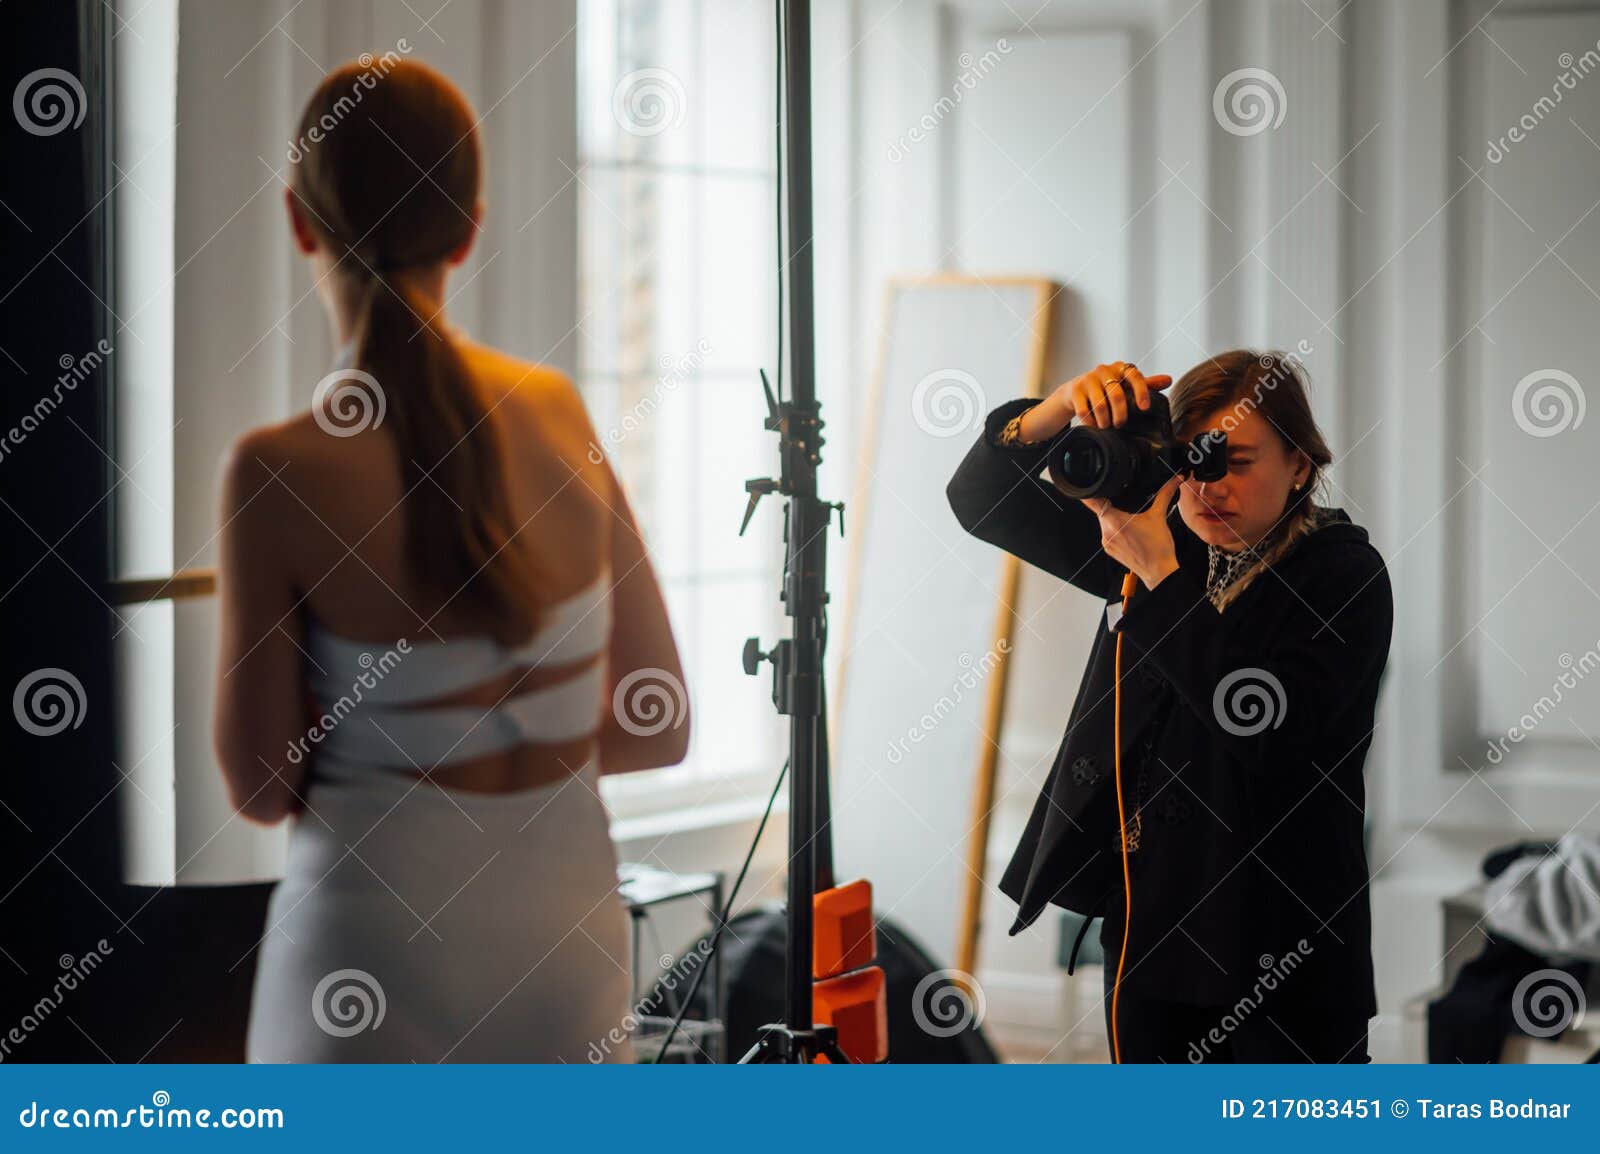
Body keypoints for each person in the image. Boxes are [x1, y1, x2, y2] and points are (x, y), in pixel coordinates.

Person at [211, 58, 689, 1062]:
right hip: (564, 949)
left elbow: (260, 786)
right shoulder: (558, 410)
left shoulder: (277, 472)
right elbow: (660, 722)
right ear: (469, 226)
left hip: (367, 960)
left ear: (301, 222)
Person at [947, 353, 1393, 1063]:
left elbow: (1263, 730)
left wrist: (1156, 574)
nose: (1206, 486)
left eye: (1236, 461)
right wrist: (1061, 406)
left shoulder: (1343, 574)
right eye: (1192, 461)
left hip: (1282, 950)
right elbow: (980, 497)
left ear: (1302, 466)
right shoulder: (1160, 534)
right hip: (1152, 932)